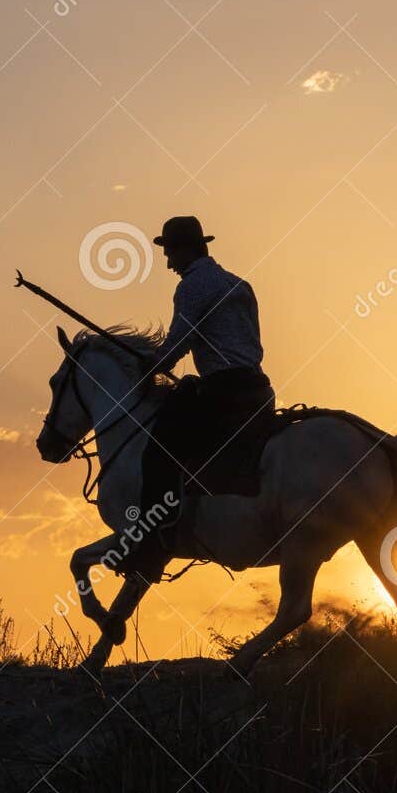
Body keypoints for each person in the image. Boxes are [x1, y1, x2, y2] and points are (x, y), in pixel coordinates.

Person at [123, 215, 276, 583]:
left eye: (169, 252)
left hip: (222, 391)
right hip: (258, 389)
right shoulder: (240, 284)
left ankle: (147, 545)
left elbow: (180, 341)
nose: (168, 262)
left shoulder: (193, 286)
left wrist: (150, 365)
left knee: (158, 451)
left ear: (185, 249)